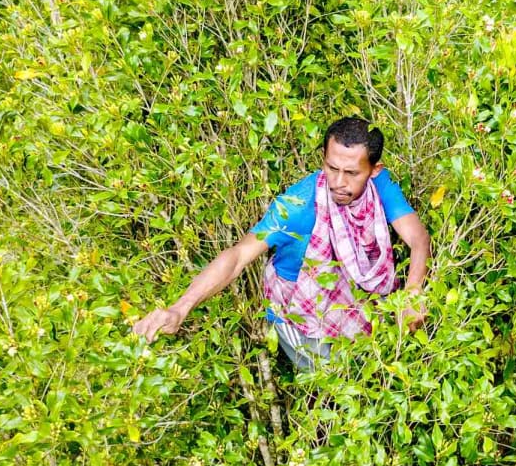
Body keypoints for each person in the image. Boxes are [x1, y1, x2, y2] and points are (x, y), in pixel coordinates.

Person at [132, 117, 431, 370]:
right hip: (301, 313)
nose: (338, 181)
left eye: (352, 173)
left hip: (355, 300)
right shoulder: (297, 207)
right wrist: (180, 308)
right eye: (331, 168)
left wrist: (413, 292)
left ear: (374, 169)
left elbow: (417, 238)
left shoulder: (380, 183)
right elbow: (238, 256)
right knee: (330, 390)